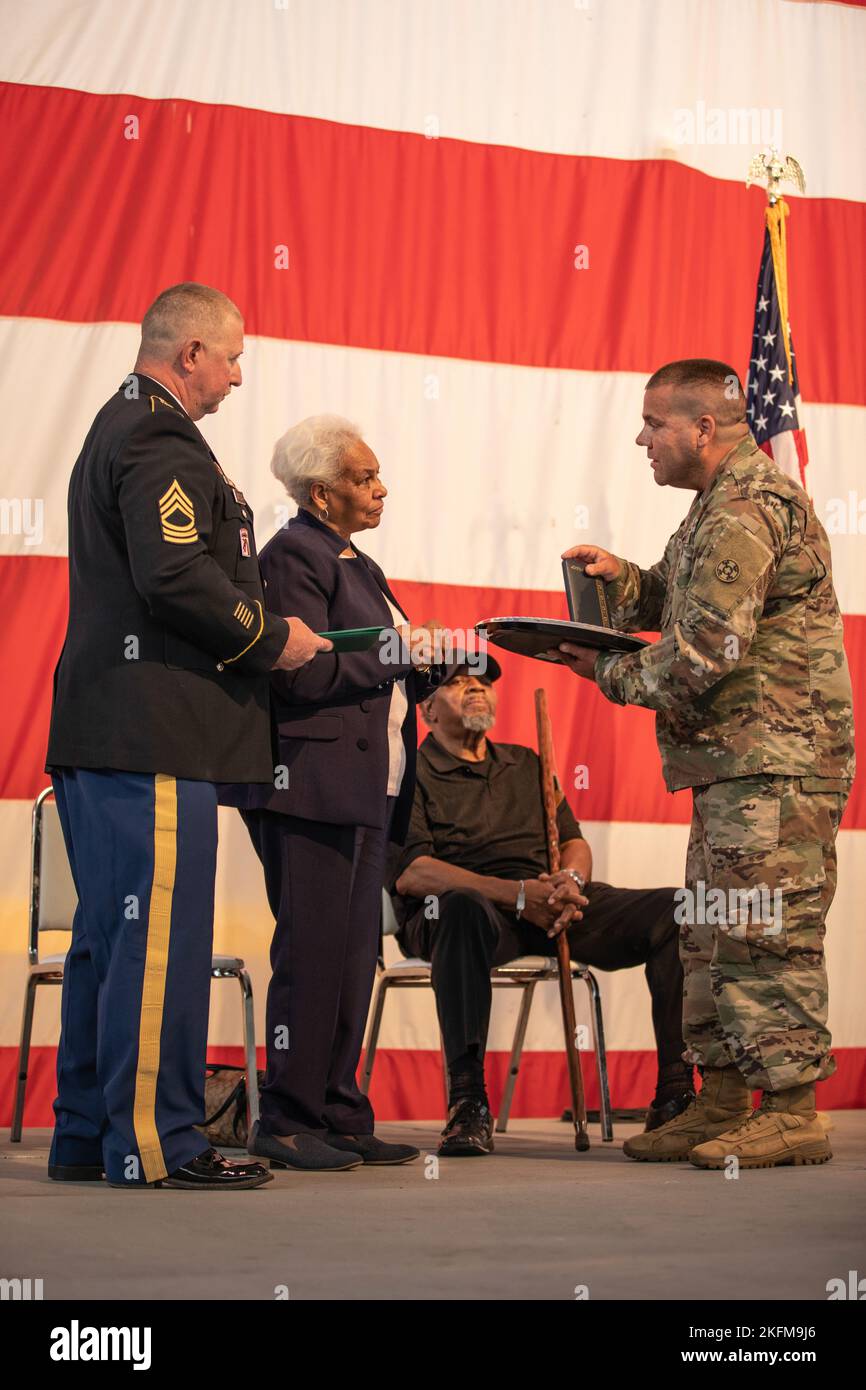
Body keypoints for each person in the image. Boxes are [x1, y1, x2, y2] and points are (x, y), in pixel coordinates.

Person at [45, 282, 329, 1191]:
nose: (241, 377)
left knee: (111, 940)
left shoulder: (119, 423)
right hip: (154, 731)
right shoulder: (159, 433)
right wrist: (269, 636)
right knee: (156, 944)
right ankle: (162, 1141)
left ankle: (91, 1136)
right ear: (192, 352)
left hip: (113, 731)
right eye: (235, 357)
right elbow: (173, 576)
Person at [556, 358, 855, 1169]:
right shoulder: (713, 509)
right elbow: (691, 602)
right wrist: (627, 582)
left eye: (655, 424)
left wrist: (607, 673)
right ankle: (722, 1098)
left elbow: (705, 651)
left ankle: (792, 1110)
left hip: (774, 765)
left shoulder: (747, 508)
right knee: (712, 936)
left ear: (702, 429)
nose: (643, 438)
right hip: (737, 766)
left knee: (765, 932)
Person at [222, 416, 447, 1171]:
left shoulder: (356, 561)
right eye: (363, 478)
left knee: (355, 955)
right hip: (308, 785)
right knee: (313, 954)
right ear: (322, 491)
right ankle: (284, 1117)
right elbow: (303, 670)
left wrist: (428, 662)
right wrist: (395, 652)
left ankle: (340, 1110)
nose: (380, 489)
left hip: (367, 785)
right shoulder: (294, 557)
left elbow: (372, 661)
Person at [389, 658, 693, 1157]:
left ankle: (675, 1095)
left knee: (676, 910)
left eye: (484, 681)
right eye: (457, 683)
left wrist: (569, 885)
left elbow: (574, 844)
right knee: (461, 907)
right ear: (426, 709)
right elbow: (414, 873)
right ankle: (468, 1103)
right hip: (463, 916)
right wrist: (518, 895)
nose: (476, 688)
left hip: (545, 907)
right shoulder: (408, 770)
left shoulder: (527, 762)